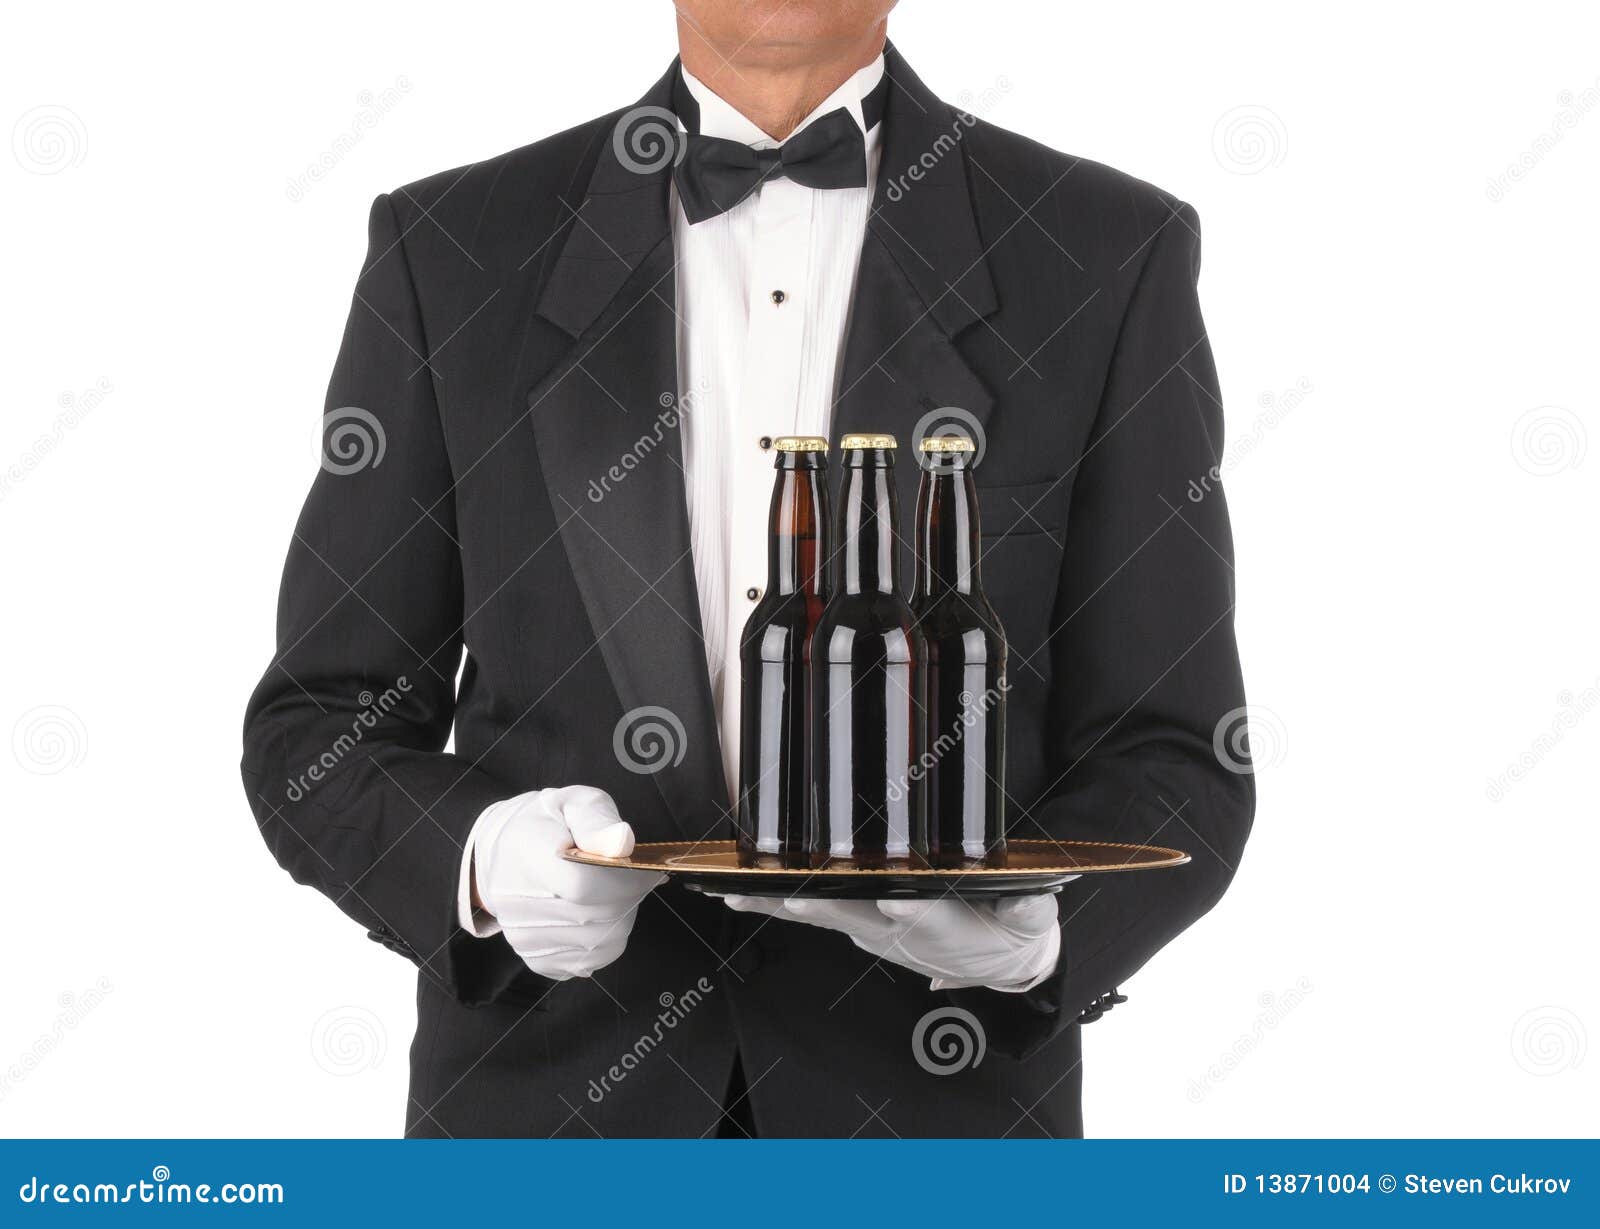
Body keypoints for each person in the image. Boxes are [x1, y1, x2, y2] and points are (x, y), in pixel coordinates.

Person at [242, 0, 1254, 1137]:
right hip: (543, 1122)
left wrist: (1044, 937)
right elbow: (316, 728)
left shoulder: (1107, 250)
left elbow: (1177, 751)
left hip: (939, 1122)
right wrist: (481, 863)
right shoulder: (451, 245)